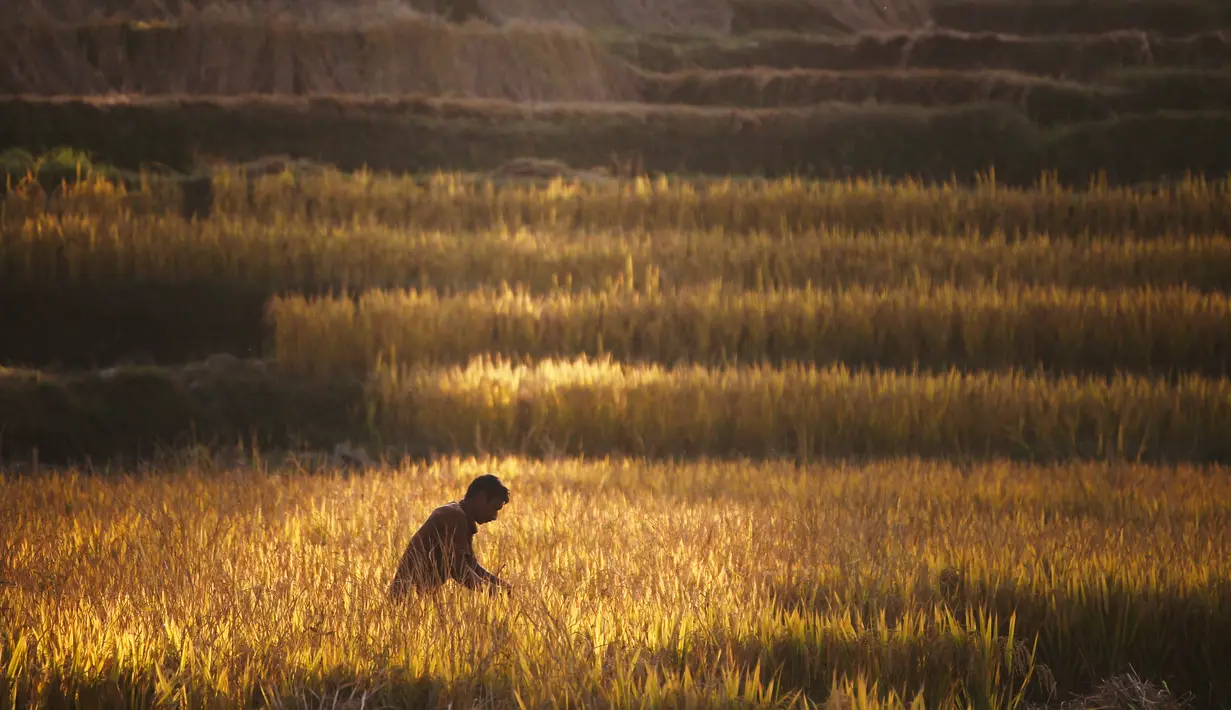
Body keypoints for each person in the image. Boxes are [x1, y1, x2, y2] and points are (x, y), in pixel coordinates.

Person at [388, 474, 512, 598]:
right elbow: (459, 570)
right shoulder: (454, 516)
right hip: (407, 597)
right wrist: (495, 591)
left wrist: (503, 586)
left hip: (416, 597)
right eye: (495, 508)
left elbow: (472, 565)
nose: (495, 517)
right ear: (481, 498)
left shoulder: (461, 517)